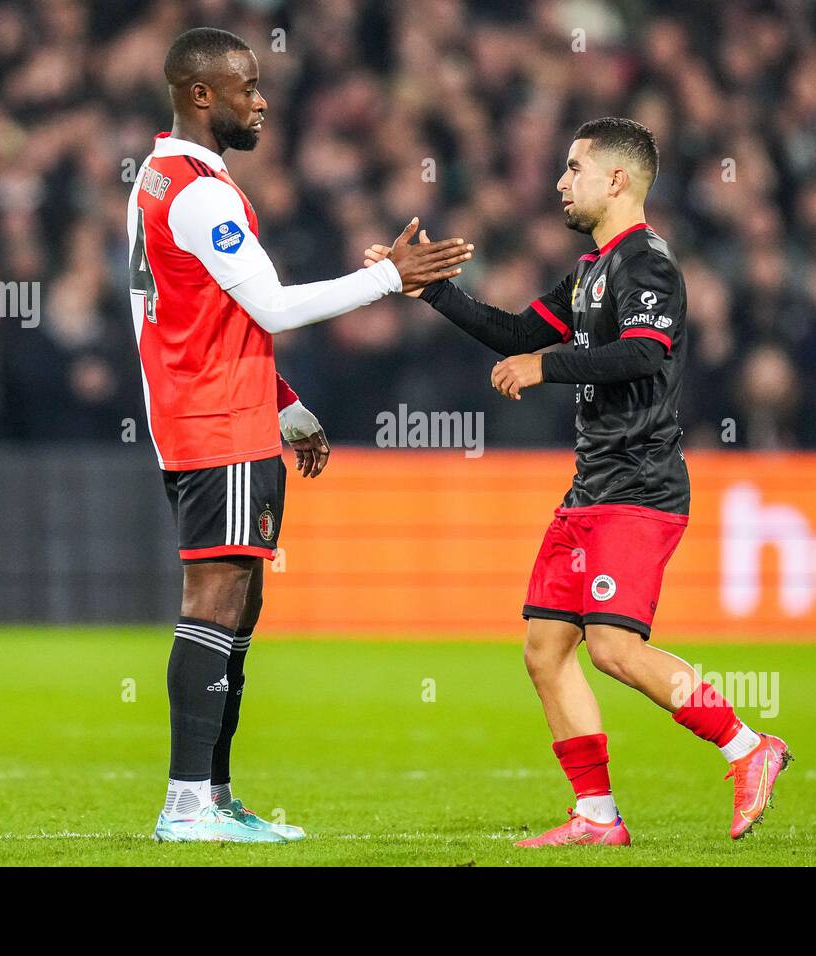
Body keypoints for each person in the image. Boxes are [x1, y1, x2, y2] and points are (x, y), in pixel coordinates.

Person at [367, 117, 791, 845]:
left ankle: (748, 746)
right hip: (592, 488)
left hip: (641, 485)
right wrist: (430, 290)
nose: (561, 183)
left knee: (613, 648)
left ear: (616, 180)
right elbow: (513, 333)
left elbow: (643, 354)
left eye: (573, 169)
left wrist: (548, 366)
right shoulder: (591, 271)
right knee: (544, 648)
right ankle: (597, 816)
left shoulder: (647, 262)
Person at [129, 27, 472, 843]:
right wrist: (390, 277)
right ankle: (186, 804)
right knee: (216, 599)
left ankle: (211, 797)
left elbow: (195, 314)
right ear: (201, 93)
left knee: (241, 601)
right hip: (218, 423)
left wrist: (281, 398)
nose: (262, 100)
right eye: (246, 86)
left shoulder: (160, 174)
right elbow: (274, 305)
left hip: (218, 410)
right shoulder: (200, 192)